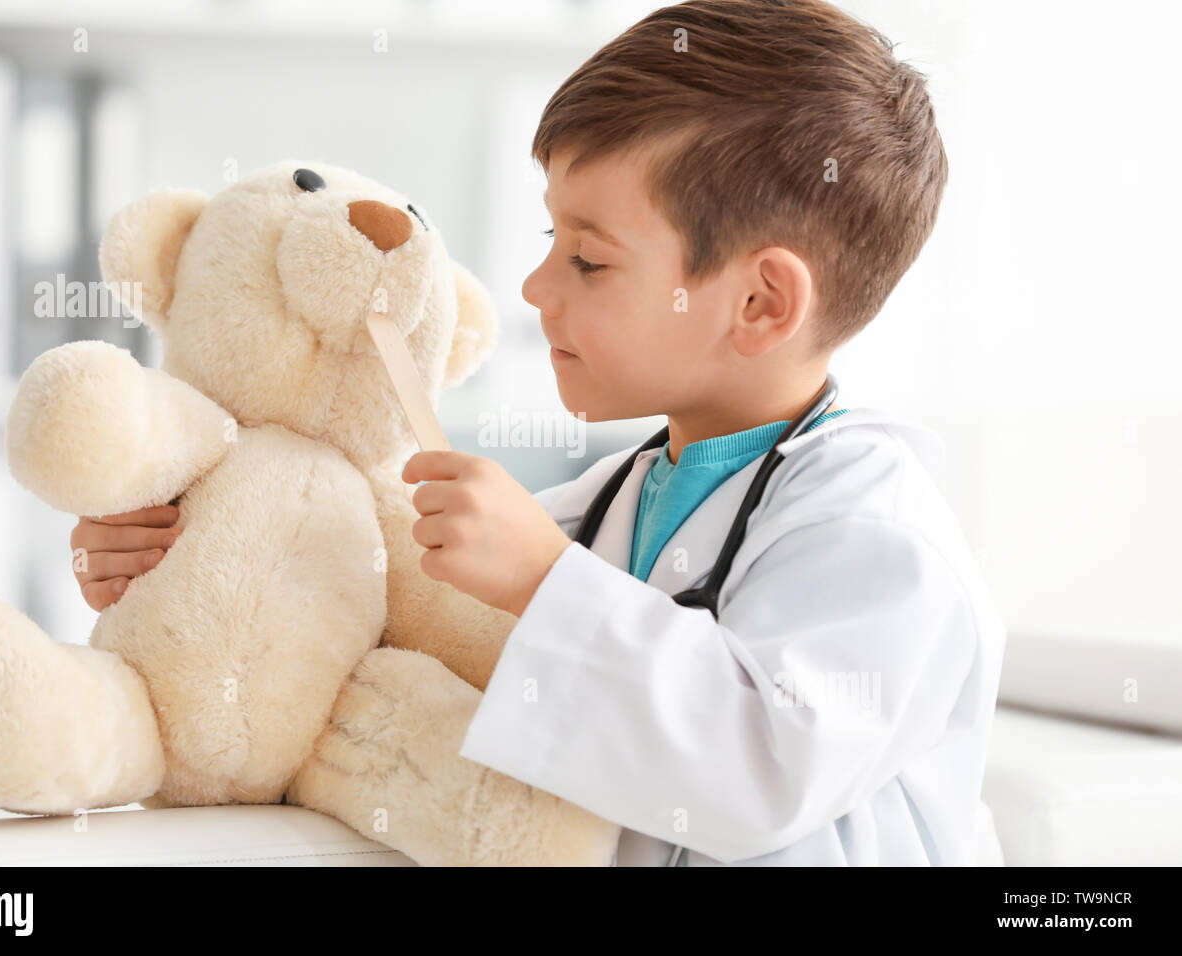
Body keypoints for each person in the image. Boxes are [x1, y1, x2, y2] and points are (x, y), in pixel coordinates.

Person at [70, 0, 1005, 865]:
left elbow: (765, 770)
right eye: (552, 241)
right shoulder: (605, 504)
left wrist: (546, 582)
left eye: (588, 259)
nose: (533, 287)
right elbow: (370, 615)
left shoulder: (877, 537)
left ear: (760, 303)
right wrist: (196, 551)